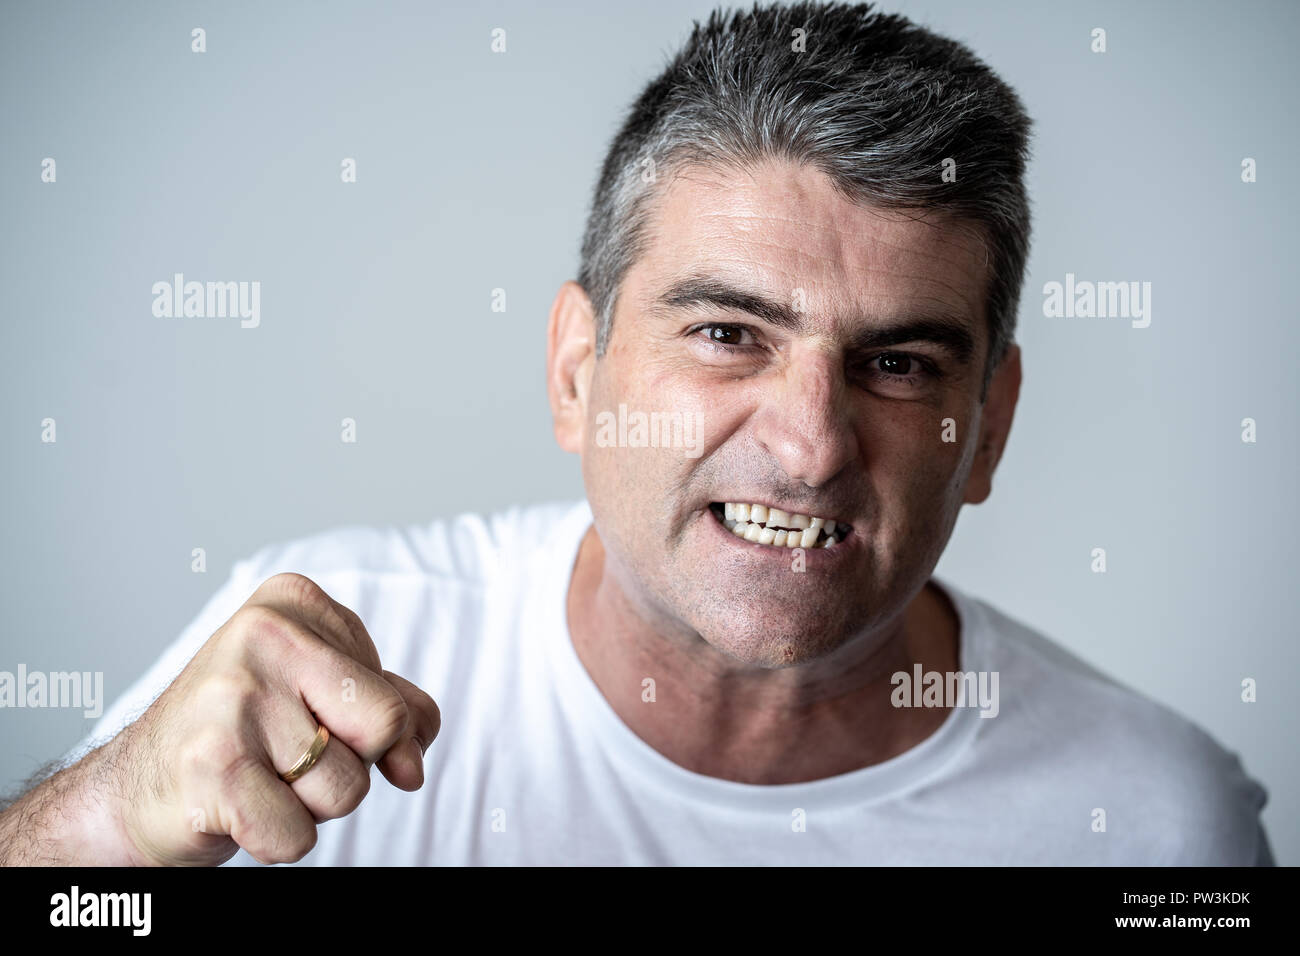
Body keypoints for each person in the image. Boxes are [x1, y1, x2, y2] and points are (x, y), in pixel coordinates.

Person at [0, 0, 1273, 866]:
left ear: (985, 426)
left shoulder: (1155, 819)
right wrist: (104, 820)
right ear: (575, 371)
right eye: (727, 333)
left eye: (895, 362)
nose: (811, 442)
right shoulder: (322, 655)